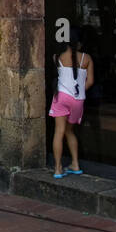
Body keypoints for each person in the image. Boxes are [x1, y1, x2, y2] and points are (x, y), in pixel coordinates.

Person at [49, 27, 95, 179]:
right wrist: (79, 90)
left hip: (61, 98)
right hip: (78, 100)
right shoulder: (87, 59)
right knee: (70, 131)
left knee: (59, 132)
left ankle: (57, 168)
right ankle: (75, 164)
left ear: (67, 43)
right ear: (80, 44)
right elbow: (90, 82)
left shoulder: (58, 57)